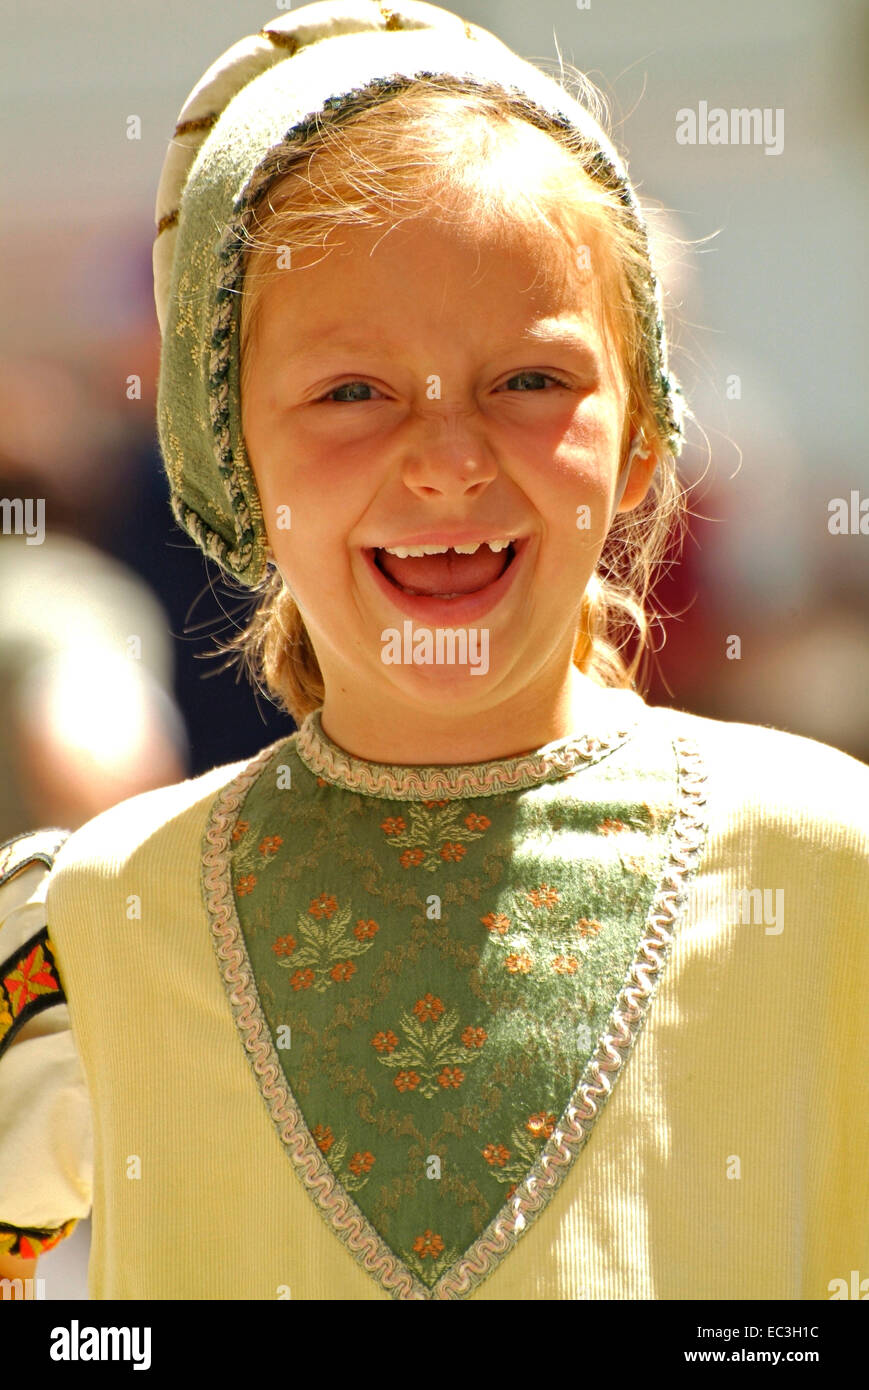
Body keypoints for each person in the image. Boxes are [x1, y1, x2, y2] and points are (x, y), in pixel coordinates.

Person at [1, 0, 866, 1301]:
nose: (448, 458)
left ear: (641, 439)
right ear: (229, 452)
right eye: (351, 391)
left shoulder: (822, 873)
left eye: (527, 380)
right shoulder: (102, 926)